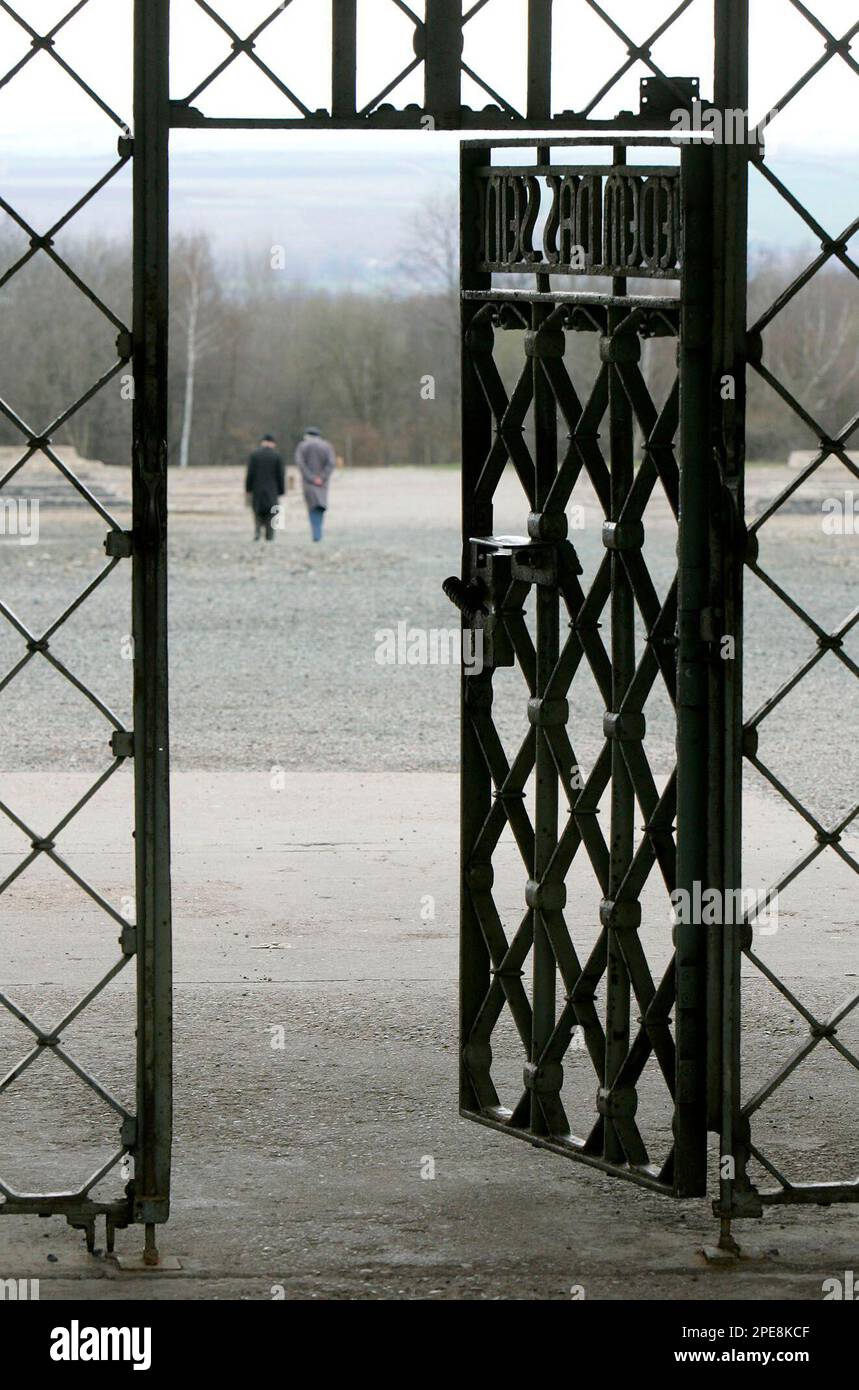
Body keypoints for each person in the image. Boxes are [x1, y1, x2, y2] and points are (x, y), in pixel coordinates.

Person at [294, 427, 335, 542]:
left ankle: (316, 533)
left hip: (309, 483)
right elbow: (331, 463)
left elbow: (300, 464)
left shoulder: (302, 446)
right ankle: (318, 532)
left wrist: (311, 478)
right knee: (321, 506)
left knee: (312, 507)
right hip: (323, 483)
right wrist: (322, 477)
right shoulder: (327, 446)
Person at [245, 434, 285, 541]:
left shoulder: (254, 455)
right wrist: (281, 490)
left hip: (257, 488)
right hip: (272, 489)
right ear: (273, 443)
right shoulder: (277, 456)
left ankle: (257, 531)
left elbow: (250, 474)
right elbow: (280, 475)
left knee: (257, 512)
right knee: (271, 512)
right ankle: (270, 535)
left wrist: (248, 489)